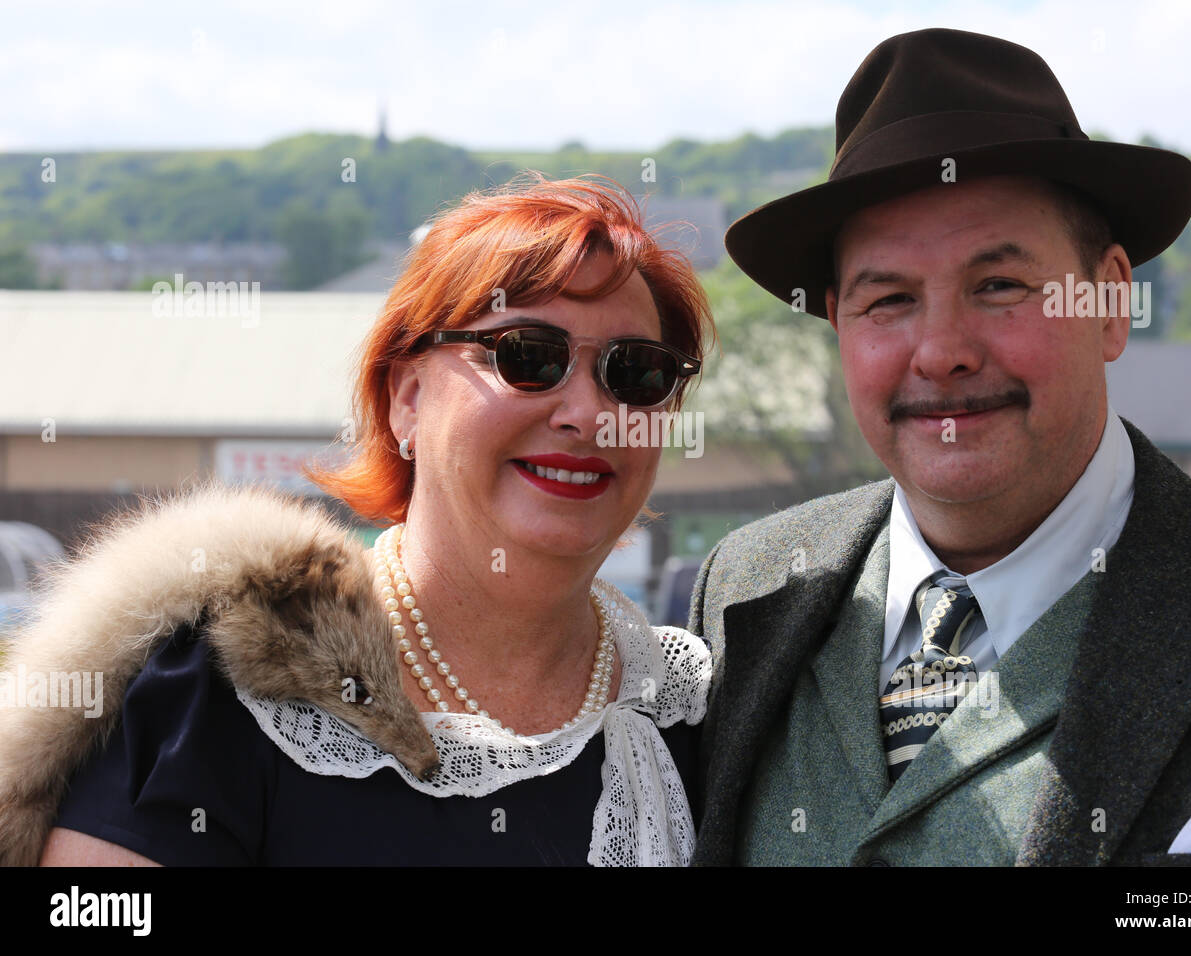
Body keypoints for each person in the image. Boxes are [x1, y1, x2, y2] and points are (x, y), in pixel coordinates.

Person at [689, 28, 1191, 865]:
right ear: (839, 327)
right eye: (889, 299)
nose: (942, 351)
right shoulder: (745, 593)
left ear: (1112, 300)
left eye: (1000, 285)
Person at [3, 174, 716, 866]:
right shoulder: (222, 691)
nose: (587, 415)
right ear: (406, 397)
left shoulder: (707, 713)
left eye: (637, 373)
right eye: (529, 356)